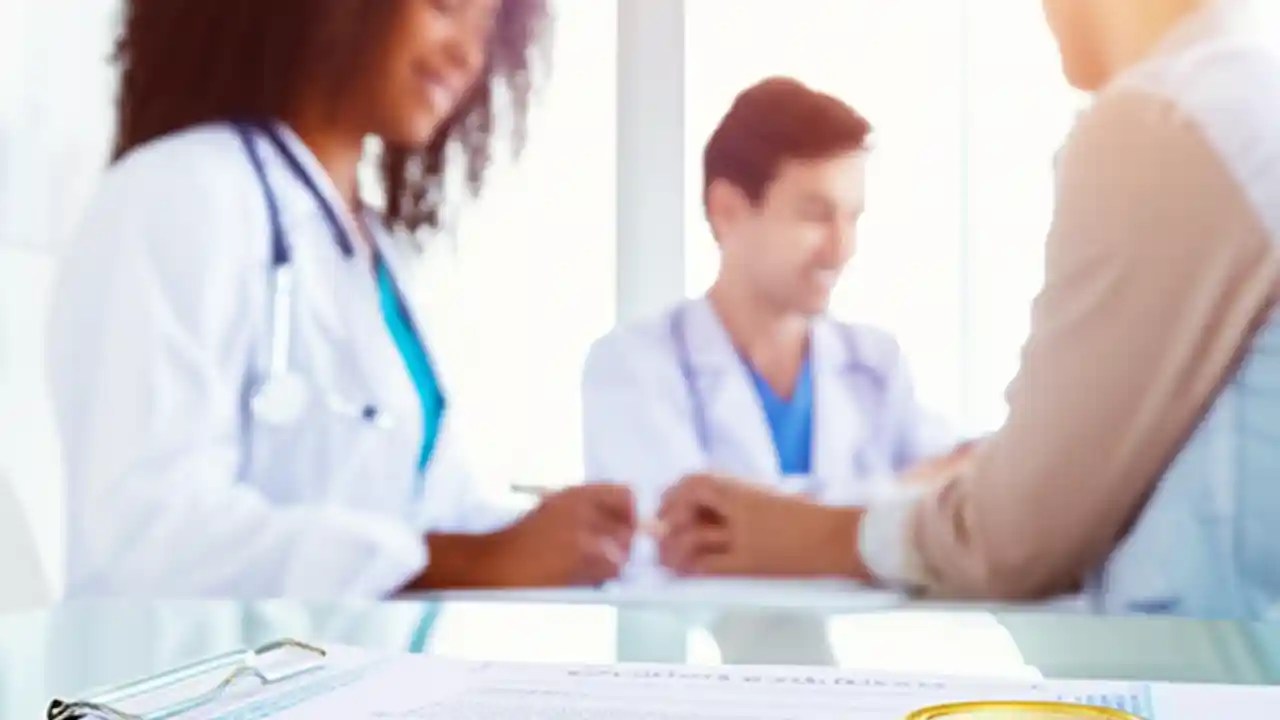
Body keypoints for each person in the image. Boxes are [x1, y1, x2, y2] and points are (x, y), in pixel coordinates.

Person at [657, 0, 1280, 619]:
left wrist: (808, 534)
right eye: (816, 213)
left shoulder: (1169, 118)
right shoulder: (1241, 102)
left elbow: (1015, 533)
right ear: (727, 211)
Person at [47, 0, 636, 599]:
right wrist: (460, 562)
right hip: (190, 682)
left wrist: (576, 539)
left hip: (354, 678)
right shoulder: (178, 193)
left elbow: (430, 508)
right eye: (446, 8)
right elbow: (144, 538)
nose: (467, 55)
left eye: (486, 32)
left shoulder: (378, 257)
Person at [582, 78, 955, 523]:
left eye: (852, 217)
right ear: (727, 211)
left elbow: (962, 488)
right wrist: (898, 498)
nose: (841, 249)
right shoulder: (632, 366)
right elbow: (688, 537)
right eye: (815, 215)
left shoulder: (875, 364)